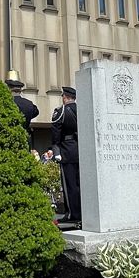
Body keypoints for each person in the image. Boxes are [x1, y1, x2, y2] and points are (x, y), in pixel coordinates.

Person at [52, 85, 81, 224]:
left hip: (67, 151)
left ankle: (72, 214)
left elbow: (56, 134)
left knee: (69, 185)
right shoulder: (82, 109)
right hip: (82, 151)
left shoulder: (61, 111)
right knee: (81, 183)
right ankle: (83, 211)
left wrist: (56, 151)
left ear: (65, 97)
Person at [8, 78, 39, 148]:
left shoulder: (5, 103)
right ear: (20, 91)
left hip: (9, 138)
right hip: (25, 137)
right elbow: (36, 112)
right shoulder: (29, 104)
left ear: (9, 90)